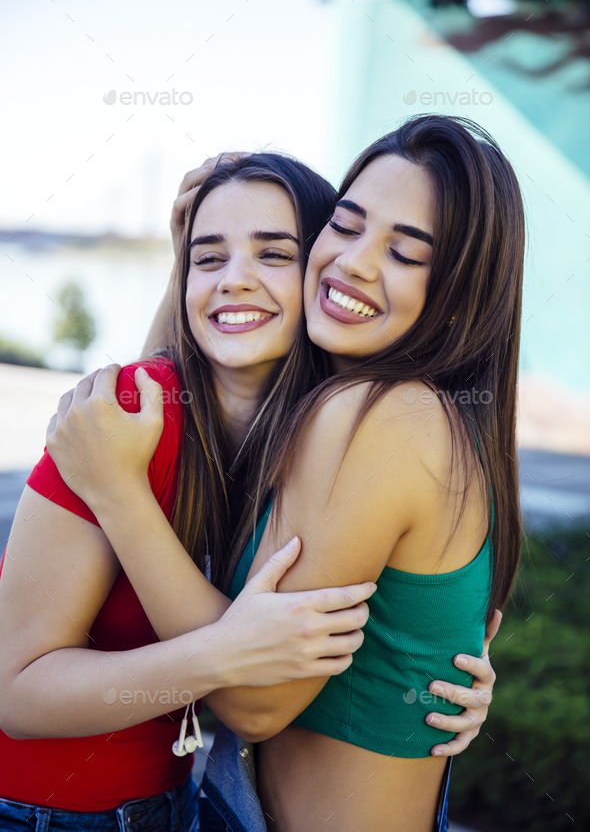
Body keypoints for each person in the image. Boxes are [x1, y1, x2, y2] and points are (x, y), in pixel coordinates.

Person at [43, 115, 515, 831]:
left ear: (460, 294)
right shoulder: (414, 413)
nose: (354, 262)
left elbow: (251, 701)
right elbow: (185, 414)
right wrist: (188, 273)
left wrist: (117, 492)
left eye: (405, 252)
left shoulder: (376, 416)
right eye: (347, 226)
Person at [0, 155, 378, 832]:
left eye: (274, 253)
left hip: (174, 804)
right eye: (208, 258)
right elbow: (16, 692)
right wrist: (222, 653)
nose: (234, 278)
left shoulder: (314, 447)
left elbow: (308, 645)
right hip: (35, 813)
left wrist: (431, 686)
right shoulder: (122, 416)